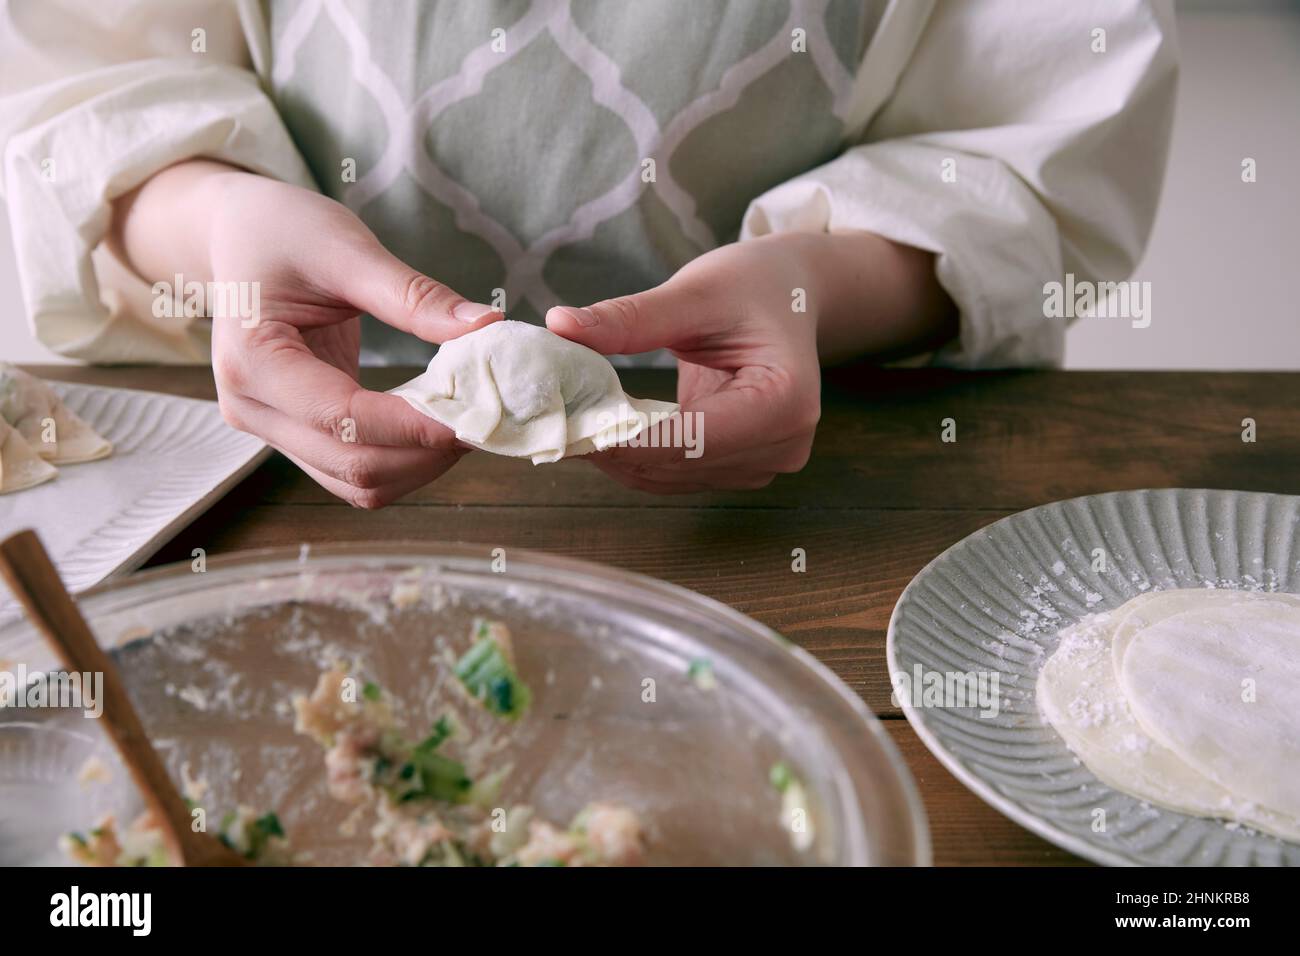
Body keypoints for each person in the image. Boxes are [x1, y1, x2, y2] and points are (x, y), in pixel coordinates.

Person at [0, 0, 1177, 505]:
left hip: (825, 491)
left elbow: (1038, 151)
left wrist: (816, 286)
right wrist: (217, 230)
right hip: (281, 470)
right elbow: (83, 91)